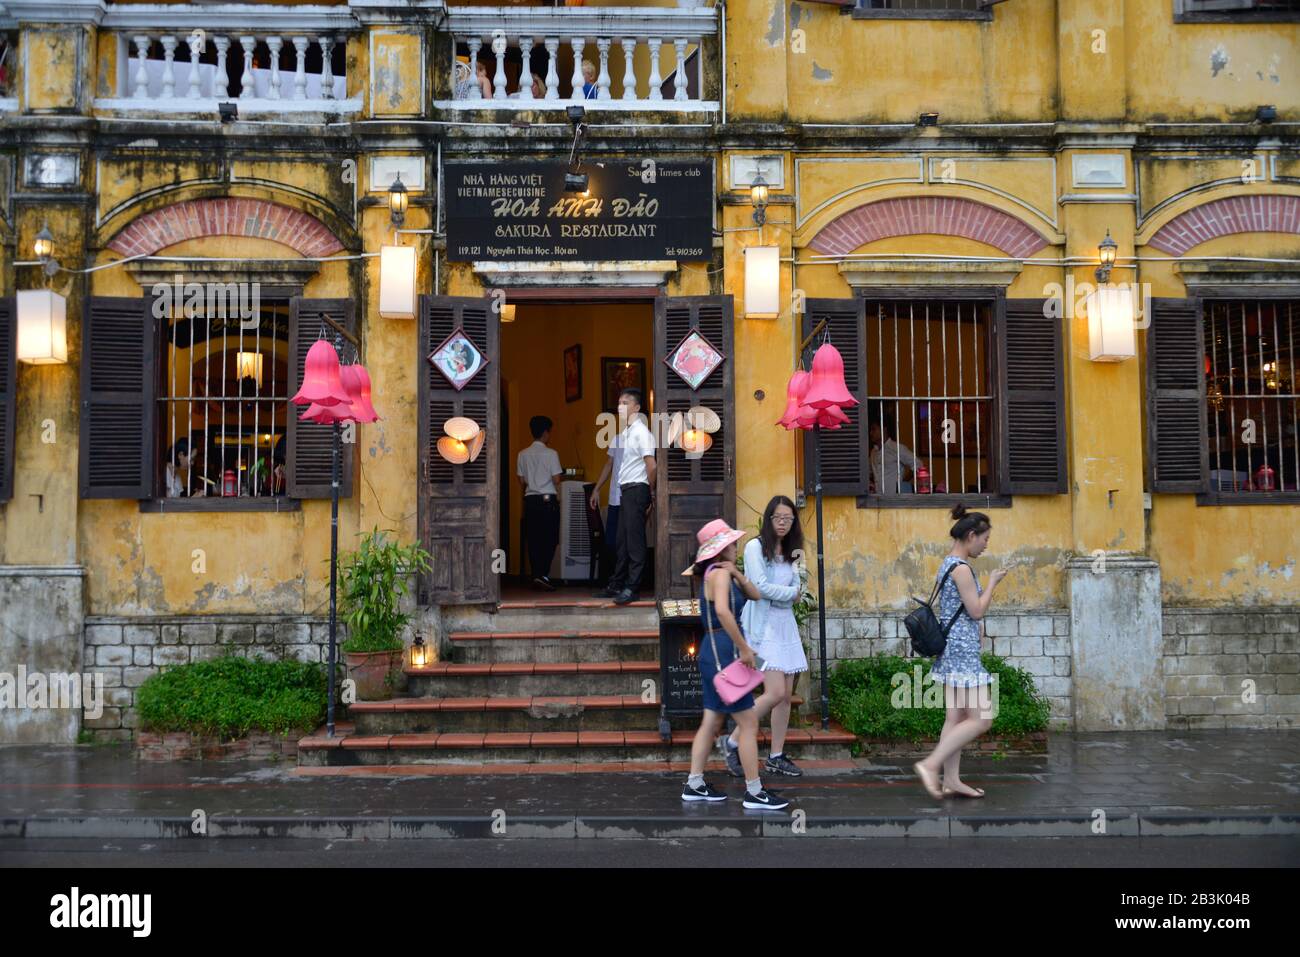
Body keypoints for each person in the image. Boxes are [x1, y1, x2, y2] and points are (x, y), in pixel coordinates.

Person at [680, 519, 790, 811]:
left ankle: (694, 783)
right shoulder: (719, 576)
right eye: (731, 543)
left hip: (711, 650)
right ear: (721, 548)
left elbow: (755, 595)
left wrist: (738, 573)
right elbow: (723, 612)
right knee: (748, 722)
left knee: (712, 721)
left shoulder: (720, 573)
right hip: (724, 651)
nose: (736, 545)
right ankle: (754, 792)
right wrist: (743, 648)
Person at [913, 504, 1009, 801]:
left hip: (953, 648)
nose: (985, 544)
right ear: (971, 535)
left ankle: (952, 780)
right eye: (984, 539)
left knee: (955, 717)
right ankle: (931, 765)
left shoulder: (948, 563)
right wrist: (992, 583)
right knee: (982, 718)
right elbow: (976, 611)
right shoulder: (963, 569)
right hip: (962, 651)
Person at [719, 496, 808, 778]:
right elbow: (759, 587)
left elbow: (800, 586)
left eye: (788, 519)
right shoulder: (756, 547)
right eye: (778, 518)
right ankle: (731, 741)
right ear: (768, 519)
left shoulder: (794, 550)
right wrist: (790, 595)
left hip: (786, 627)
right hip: (763, 627)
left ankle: (776, 755)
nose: (783, 523)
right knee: (774, 692)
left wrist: (791, 594)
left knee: (785, 697)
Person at [595, 389, 654, 605]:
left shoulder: (642, 433)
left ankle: (632, 587)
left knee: (635, 541)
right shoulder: (627, 434)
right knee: (622, 541)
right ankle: (617, 583)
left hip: (637, 489)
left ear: (637, 408)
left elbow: (651, 465)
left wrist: (651, 492)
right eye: (619, 402)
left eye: (626, 403)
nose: (621, 407)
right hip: (625, 491)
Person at [517, 415, 563, 591]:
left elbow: (521, 481)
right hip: (547, 501)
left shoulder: (522, 454)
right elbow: (557, 479)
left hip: (530, 500)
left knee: (534, 539)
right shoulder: (551, 454)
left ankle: (537, 574)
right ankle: (543, 574)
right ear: (545, 432)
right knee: (550, 538)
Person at [588, 432, 624, 587]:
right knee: (611, 542)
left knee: (628, 543)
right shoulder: (618, 438)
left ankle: (626, 583)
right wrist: (596, 489)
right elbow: (609, 463)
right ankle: (613, 582)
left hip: (632, 498)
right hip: (615, 498)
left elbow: (650, 465)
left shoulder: (646, 437)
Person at [869, 412, 919, 494]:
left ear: (883, 429)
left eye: (874, 429)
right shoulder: (873, 452)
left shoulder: (897, 448)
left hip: (894, 498)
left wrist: (903, 482)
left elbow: (918, 464)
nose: (871, 433)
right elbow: (870, 472)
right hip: (877, 498)